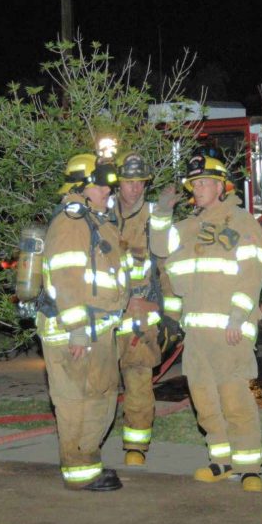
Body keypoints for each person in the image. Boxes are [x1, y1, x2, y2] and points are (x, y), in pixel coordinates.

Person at [150, 154, 262, 492]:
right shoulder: (187, 226)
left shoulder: (242, 222)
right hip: (198, 333)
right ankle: (222, 461)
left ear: (220, 186)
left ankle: (250, 468)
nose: (198, 189)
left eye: (203, 183)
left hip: (231, 329)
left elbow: (252, 273)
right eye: (194, 185)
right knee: (204, 400)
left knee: (234, 398)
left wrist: (238, 316)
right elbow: (159, 247)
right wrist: (162, 211)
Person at [35, 153, 128, 491]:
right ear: (82, 186)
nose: (107, 190)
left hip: (96, 331)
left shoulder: (93, 220)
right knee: (76, 402)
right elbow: (67, 280)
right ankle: (79, 472)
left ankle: (88, 462)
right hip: (75, 334)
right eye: (101, 184)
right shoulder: (72, 223)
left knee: (98, 398)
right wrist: (77, 330)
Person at [112, 151, 163, 467]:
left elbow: (169, 268)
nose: (135, 189)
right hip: (103, 315)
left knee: (138, 379)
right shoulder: (100, 214)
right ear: (118, 182)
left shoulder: (156, 218)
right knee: (99, 381)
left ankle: (136, 447)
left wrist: (164, 310)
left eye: (140, 182)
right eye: (129, 182)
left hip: (139, 317)